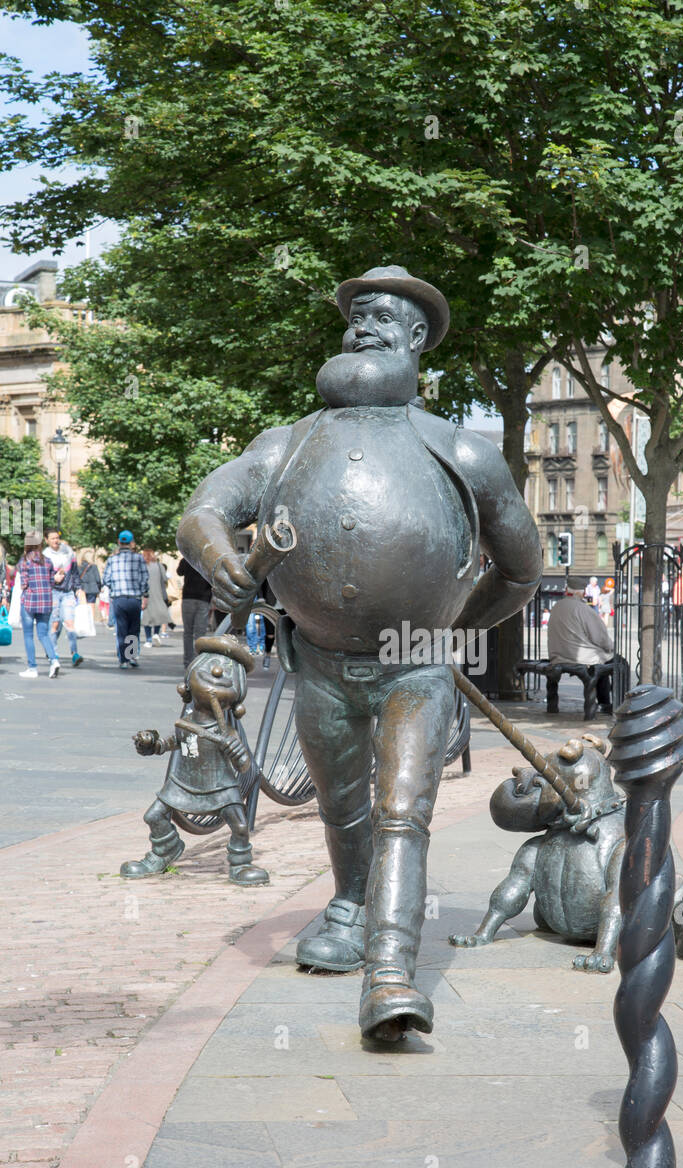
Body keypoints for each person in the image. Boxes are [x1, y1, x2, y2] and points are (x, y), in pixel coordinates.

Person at [176, 263, 542, 1041]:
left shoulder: (461, 453)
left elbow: (522, 567)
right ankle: (348, 906)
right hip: (319, 660)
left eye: (380, 316)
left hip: (414, 666)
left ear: (416, 338)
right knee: (342, 805)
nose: (361, 327)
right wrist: (222, 556)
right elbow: (204, 509)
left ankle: (391, 975)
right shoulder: (289, 443)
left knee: (401, 810)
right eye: (354, 315)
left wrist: (451, 628)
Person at [546, 587, 615, 711]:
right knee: (616, 663)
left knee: (600, 663)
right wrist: (610, 647)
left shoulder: (557, 606)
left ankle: (604, 703)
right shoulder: (583, 609)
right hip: (579, 656)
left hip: (558, 655)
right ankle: (607, 703)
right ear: (580, 593)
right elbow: (600, 637)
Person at [102, 529, 149, 667]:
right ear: (132, 543)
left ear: (119, 542)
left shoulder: (112, 559)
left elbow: (106, 579)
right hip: (134, 598)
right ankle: (132, 656)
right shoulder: (139, 558)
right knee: (133, 629)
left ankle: (123, 660)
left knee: (121, 630)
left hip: (119, 598)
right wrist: (145, 595)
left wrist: (114, 586)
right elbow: (144, 579)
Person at [17, 530, 60, 679]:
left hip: (30, 601)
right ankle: (54, 660)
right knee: (43, 634)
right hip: (46, 601)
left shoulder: (24, 561)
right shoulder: (47, 561)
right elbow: (52, 581)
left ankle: (32, 668)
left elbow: (24, 584)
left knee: (28, 635)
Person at [43, 528, 85, 668]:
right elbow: (43, 577)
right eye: (53, 538)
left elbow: (74, 572)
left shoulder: (68, 552)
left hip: (67, 593)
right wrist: (53, 578)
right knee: (54, 625)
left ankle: (75, 654)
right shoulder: (45, 556)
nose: (56, 540)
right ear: (46, 540)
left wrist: (78, 588)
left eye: (57, 537)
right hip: (53, 592)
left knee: (69, 623)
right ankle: (53, 655)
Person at [177, 555, 213, 667]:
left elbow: (179, 572)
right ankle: (198, 662)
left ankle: (188, 661)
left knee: (188, 632)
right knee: (200, 633)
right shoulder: (209, 561)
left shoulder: (188, 559)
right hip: (204, 599)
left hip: (188, 597)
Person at [140, 547, 173, 645]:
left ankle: (148, 639)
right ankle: (156, 633)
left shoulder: (142, 566)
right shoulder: (159, 565)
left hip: (146, 594)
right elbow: (165, 579)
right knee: (158, 614)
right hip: (158, 594)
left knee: (147, 617)